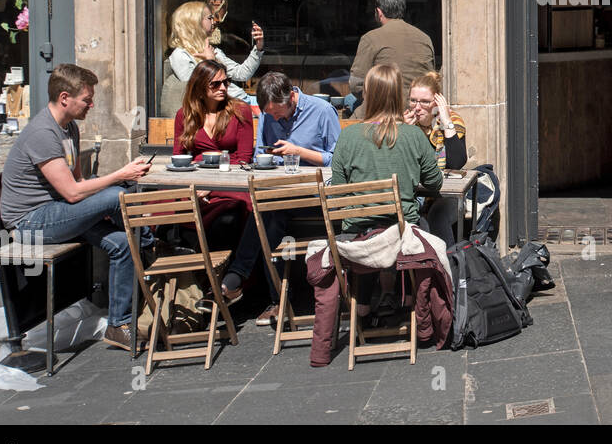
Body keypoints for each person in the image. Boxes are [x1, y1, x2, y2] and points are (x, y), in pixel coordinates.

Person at [0, 64, 153, 351]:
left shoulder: (69, 128)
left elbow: (79, 182)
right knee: (117, 192)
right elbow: (71, 193)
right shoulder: (42, 133)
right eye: (87, 99)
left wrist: (107, 192)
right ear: (65, 97)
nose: (91, 105)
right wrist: (120, 175)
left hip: (58, 212)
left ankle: (119, 325)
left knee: (121, 242)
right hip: (31, 223)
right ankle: (150, 245)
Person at [218, 71, 342, 325]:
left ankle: (242, 281)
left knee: (267, 212)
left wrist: (299, 152)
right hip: (279, 194)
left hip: (315, 197)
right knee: (269, 213)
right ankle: (276, 299)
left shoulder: (322, 111)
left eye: (277, 113)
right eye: (269, 114)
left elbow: (338, 159)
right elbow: (260, 153)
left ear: (292, 99)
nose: (273, 118)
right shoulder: (267, 114)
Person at [331, 63, 443, 316]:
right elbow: (435, 183)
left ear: (368, 95)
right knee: (422, 227)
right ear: (398, 96)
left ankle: (362, 305)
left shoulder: (348, 137)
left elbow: (337, 194)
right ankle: (411, 302)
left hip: (357, 241)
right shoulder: (413, 135)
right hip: (401, 236)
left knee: (368, 226)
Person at [174, 60, 256, 277]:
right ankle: (198, 280)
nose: (223, 88)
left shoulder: (240, 111)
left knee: (229, 219)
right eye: (216, 84)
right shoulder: (185, 115)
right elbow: (180, 158)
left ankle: (223, 282)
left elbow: (244, 160)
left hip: (230, 186)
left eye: (226, 82)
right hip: (195, 186)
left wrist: (211, 188)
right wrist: (195, 187)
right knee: (162, 212)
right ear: (200, 86)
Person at [349, 0, 435, 115]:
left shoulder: (370, 38)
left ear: (379, 12)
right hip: (417, 110)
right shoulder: (424, 38)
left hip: (385, 109)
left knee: (349, 101)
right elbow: (431, 79)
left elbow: (356, 84)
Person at [165, 1, 263, 110]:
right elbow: (195, 90)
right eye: (210, 18)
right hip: (232, 106)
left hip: (246, 100)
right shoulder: (180, 55)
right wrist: (210, 62)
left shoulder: (213, 50)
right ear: (194, 22)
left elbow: (242, 74)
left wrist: (258, 48)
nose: (214, 21)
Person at [405, 71, 466, 171]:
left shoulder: (453, 121)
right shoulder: (405, 123)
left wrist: (446, 121)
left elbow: (456, 163)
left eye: (425, 101)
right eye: (413, 100)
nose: (417, 107)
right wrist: (403, 132)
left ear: (437, 102)